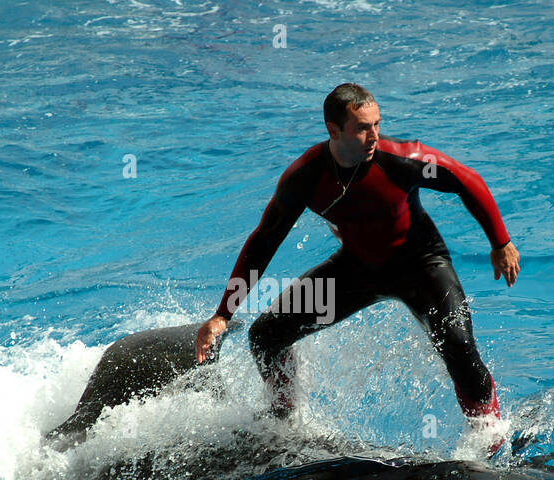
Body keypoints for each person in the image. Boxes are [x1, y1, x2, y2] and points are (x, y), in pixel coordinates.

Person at [195, 83, 520, 449]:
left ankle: (490, 434)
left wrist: (500, 242)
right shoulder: (306, 177)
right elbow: (266, 238)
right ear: (334, 131)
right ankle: (282, 426)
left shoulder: (401, 160)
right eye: (363, 128)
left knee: (459, 345)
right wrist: (223, 313)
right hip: (357, 271)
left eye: (377, 124)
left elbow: (466, 179)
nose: (374, 136)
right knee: (266, 337)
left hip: (421, 265)